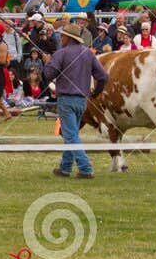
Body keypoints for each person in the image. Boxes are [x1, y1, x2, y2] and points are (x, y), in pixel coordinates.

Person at [42, 21, 107, 179]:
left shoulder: (61, 54)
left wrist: (47, 62)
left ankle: (85, 168)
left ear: (68, 38)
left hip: (66, 99)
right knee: (72, 134)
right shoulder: (88, 53)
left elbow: (48, 75)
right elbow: (103, 76)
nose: (61, 38)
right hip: (82, 101)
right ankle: (65, 167)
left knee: (70, 136)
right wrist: (96, 93)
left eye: (62, 36)